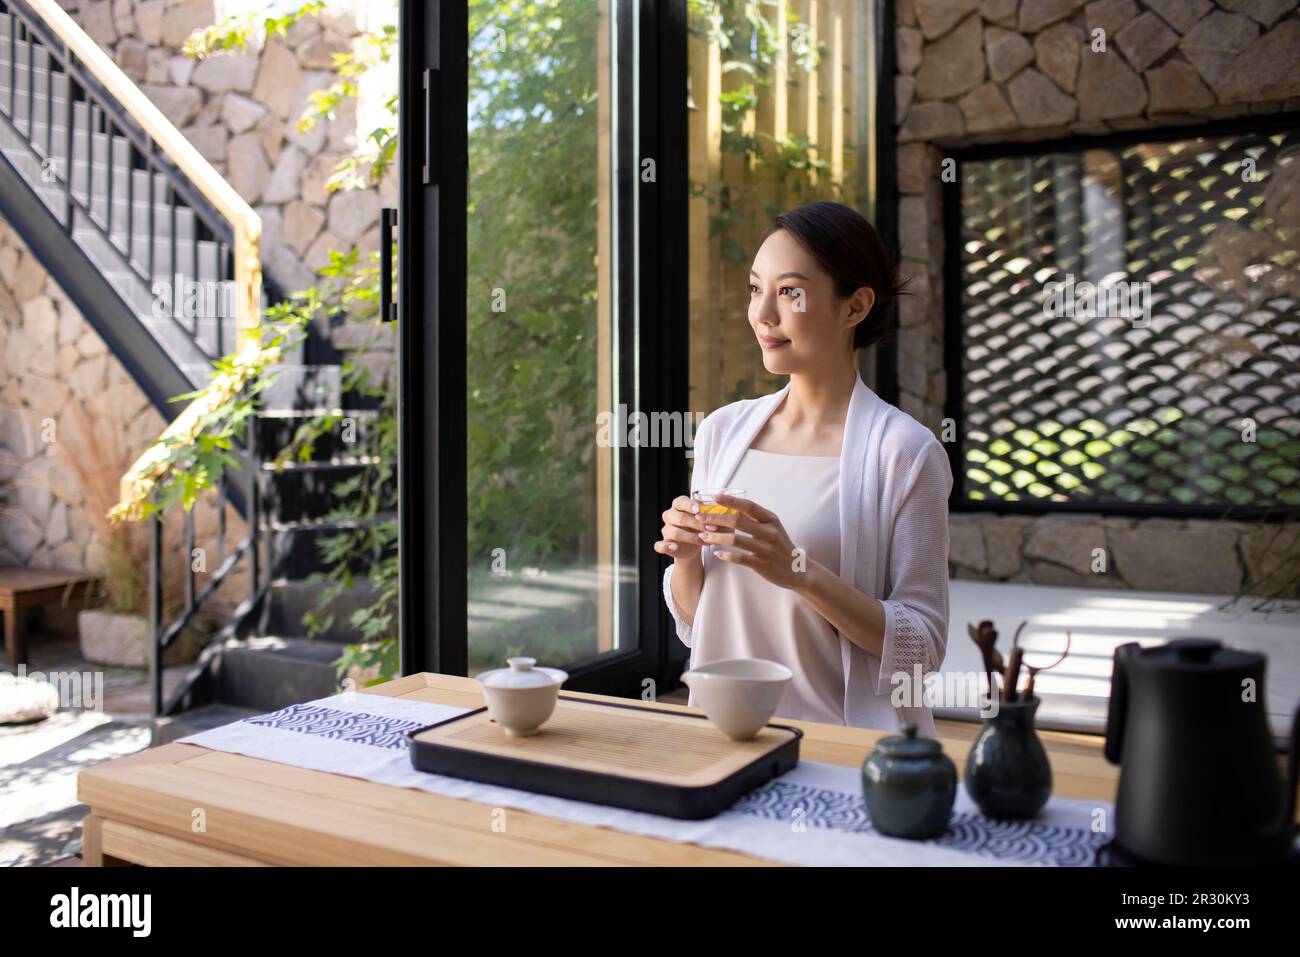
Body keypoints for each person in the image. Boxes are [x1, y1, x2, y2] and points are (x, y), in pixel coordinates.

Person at [656, 201, 953, 733]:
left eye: (789, 291)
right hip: (723, 735)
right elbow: (703, 623)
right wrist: (686, 559)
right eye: (755, 288)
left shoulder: (905, 452)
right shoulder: (722, 434)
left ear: (855, 306)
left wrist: (797, 570)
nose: (762, 313)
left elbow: (922, 649)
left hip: (845, 748)